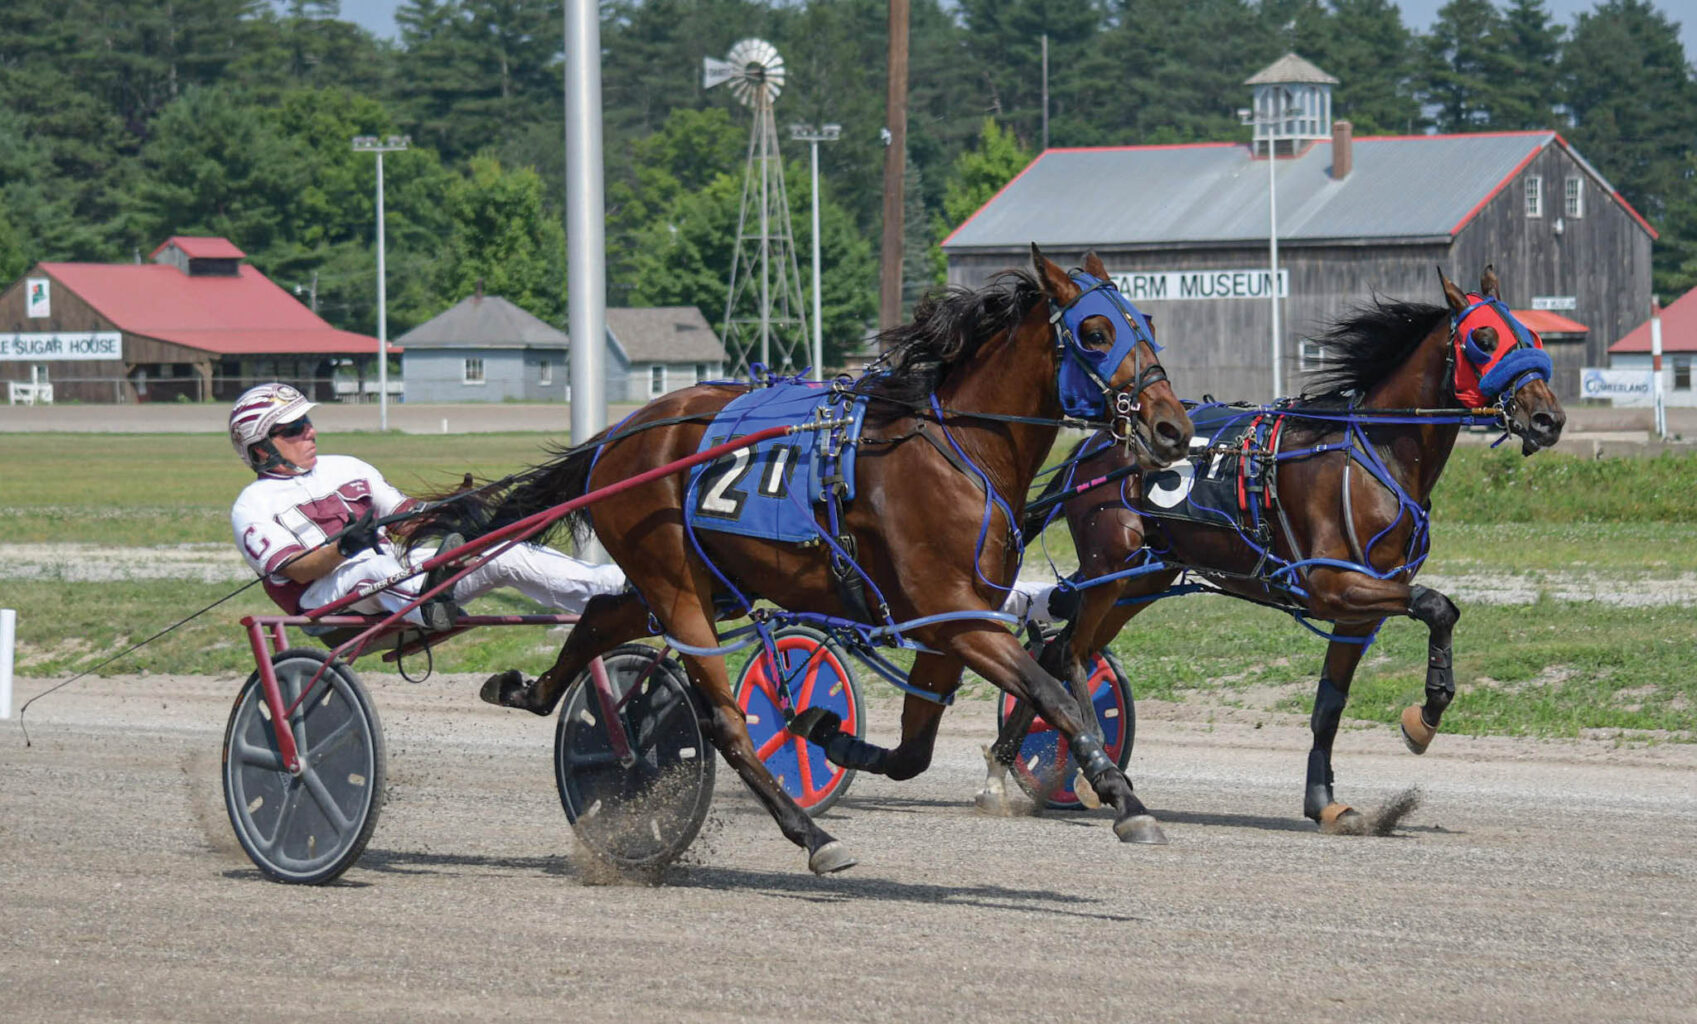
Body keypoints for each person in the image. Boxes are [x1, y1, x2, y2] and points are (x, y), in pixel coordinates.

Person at [227, 382, 626, 632]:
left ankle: (618, 589)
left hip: (403, 582)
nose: (310, 431)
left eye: (308, 420)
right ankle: (427, 601)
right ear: (261, 448)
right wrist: (346, 547)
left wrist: (457, 509)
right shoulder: (252, 506)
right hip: (326, 600)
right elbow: (295, 568)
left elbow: (406, 515)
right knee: (373, 566)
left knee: (504, 552)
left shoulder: (348, 467)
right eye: (295, 428)